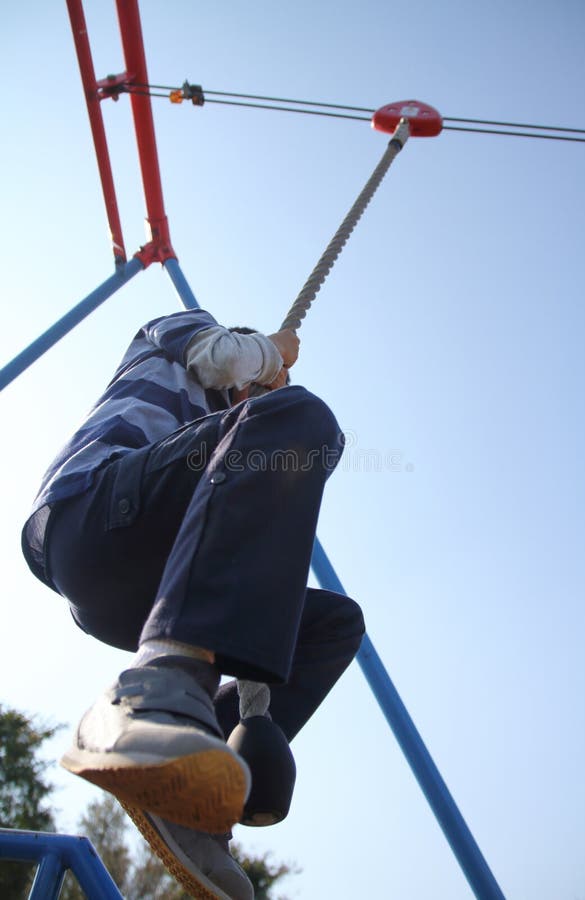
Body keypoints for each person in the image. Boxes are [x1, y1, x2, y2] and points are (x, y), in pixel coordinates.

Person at [22, 306, 365, 900]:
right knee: (301, 417)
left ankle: (193, 782)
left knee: (334, 624)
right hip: (88, 512)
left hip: (152, 585)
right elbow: (224, 357)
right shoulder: (175, 334)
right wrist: (273, 350)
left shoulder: (227, 429)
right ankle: (158, 689)